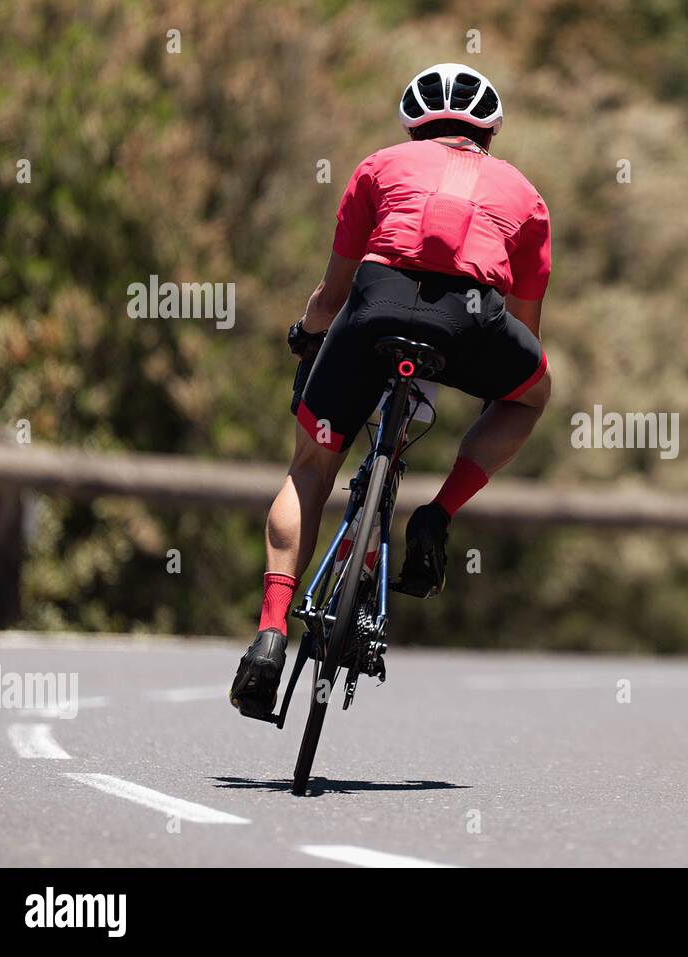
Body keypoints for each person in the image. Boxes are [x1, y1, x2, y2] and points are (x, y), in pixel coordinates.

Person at [230, 63, 551, 718]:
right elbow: (524, 329)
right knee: (529, 394)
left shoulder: (380, 167)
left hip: (374, 308)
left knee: (312, 464)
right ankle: (438, 512)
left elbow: (331, 297)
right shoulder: (525, 195)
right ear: (488, 131)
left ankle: (268, 632)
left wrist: (305, 334)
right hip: (471, 318)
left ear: (414, 124)